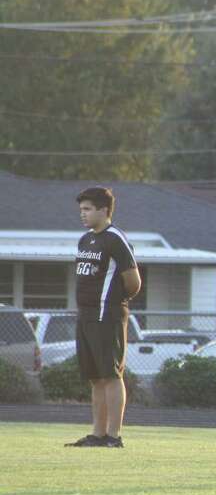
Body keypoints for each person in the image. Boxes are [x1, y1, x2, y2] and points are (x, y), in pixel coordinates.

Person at [65, 187, 141, 449]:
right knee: (96, 377)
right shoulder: (85, 239)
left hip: (106, 316)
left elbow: (133, 282)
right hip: (85, 316)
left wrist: (112, 304)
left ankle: (113, 436)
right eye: (81, 210)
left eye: (87, 209)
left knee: (111, 375)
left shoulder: (115, 239)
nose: (82, 215)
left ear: (104, 210)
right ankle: (97, 435)